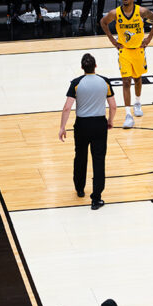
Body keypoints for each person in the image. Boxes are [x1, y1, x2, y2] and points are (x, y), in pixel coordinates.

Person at [58, 53, 115, 209]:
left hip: (82, 125)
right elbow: (113, 105)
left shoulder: (76, 83)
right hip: (99, 124)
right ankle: (96, 198)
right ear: (95, 66)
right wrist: (110, 120)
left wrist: (62, 127)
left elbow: (67, 107)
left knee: (80, 156)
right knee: (99, 159)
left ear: (82, 67)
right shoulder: (105, 82)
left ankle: (80, 189)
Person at [100, 0, 153, 130]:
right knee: (126, 81)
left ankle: (137, 103)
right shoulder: (116, 13)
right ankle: (127, 114)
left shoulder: (141, 11)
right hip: (124, 51)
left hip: (138, 49)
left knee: (137, 79)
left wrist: (149, 38)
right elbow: (103, 22)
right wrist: (113, 41)